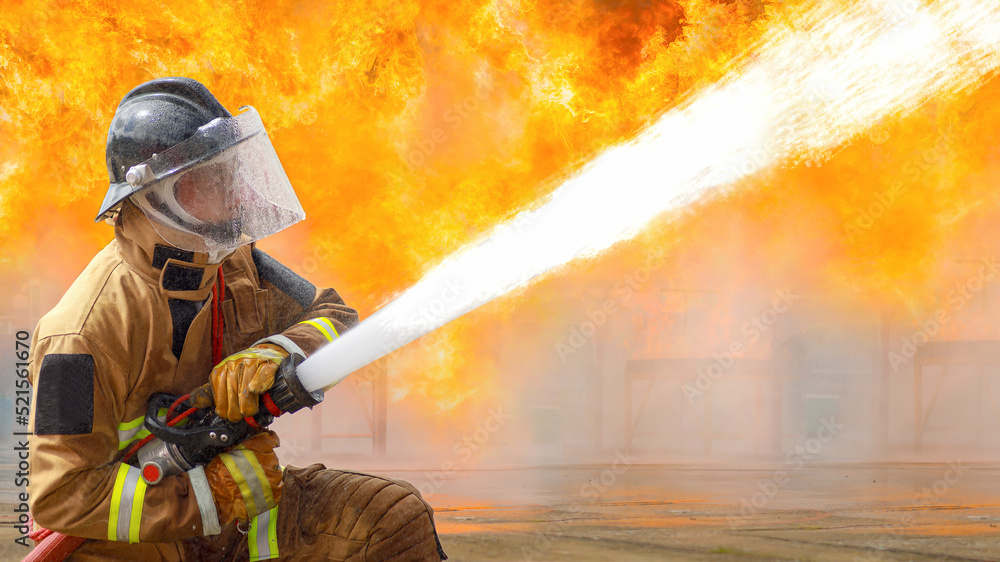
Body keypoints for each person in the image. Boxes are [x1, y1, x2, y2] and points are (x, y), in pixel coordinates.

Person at [27, 77, 447, 561]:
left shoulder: (233, 263)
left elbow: (334, 316)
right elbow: (61, 496)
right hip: (143, 546)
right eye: (205, 181)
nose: (230, 196)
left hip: (242, 515)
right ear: (154, 196)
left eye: (228, 175)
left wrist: (277, 352)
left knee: (392, 517)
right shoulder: (80, 334)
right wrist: (211, 495)